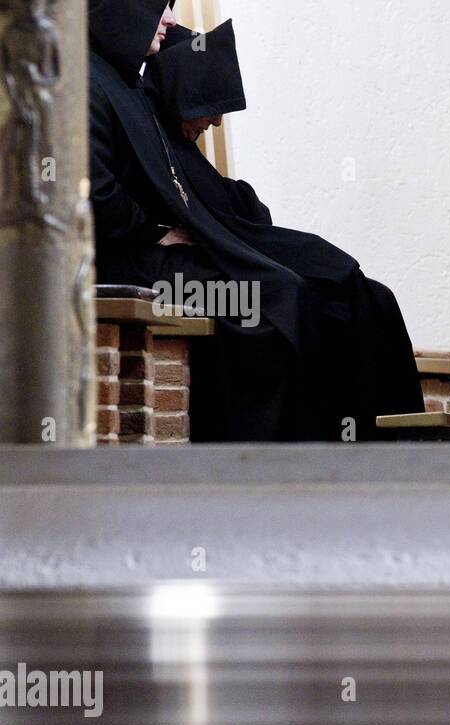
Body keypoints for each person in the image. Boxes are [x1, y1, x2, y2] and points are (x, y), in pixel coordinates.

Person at [88, 1, 423, 442]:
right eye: (159, 8)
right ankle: (265, 464)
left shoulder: (125, 84)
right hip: (127, 263)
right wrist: (151, 231)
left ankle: (363, 452)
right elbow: (92, 193)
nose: (169, 22)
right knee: (273, 299)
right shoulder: (87, 83)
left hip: (160, 253)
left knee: (349, 293)